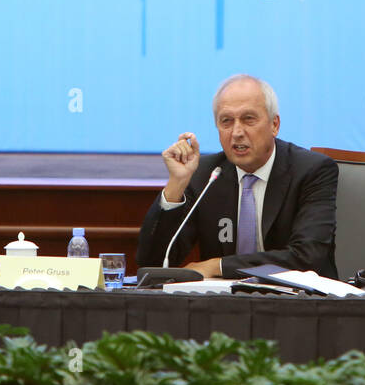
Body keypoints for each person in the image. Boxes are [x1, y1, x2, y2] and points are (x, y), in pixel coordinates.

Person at [136, 74, 338, 278]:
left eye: (248, 119)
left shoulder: (312, 171)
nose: (237, 132)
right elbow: (153, 261)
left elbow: (306, 257)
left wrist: (219, 266)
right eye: (227, 121)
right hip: (223, 305)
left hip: (298, 303)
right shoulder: (206, 175)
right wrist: (176, 185)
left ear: (274, 125)